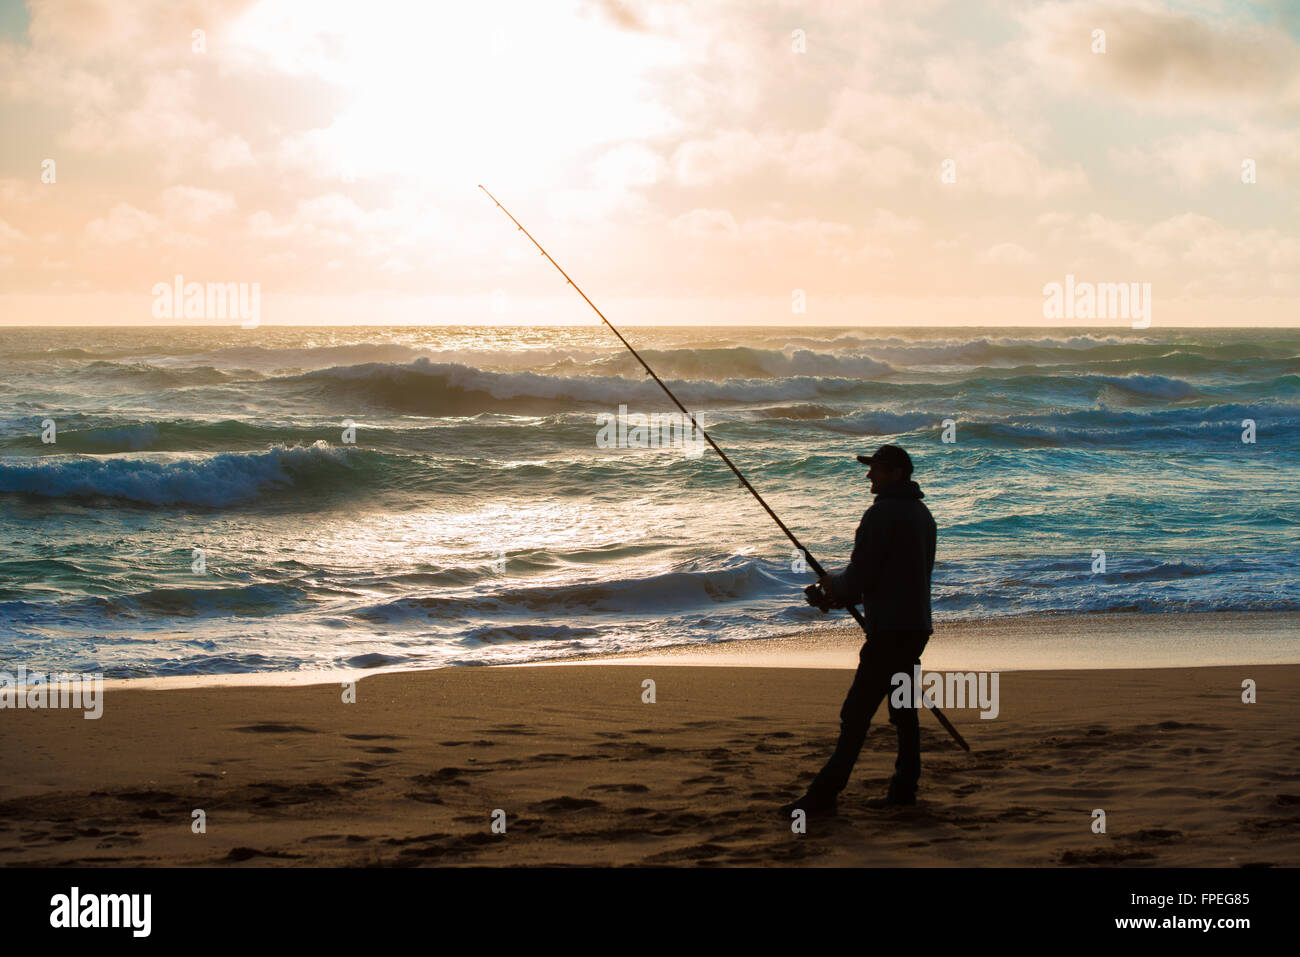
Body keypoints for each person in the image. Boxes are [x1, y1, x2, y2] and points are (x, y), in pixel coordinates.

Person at [780, 443, 937, 818]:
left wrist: (834, 587)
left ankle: (824, 795)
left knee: (856, 713)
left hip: (889, 632)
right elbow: (893, 577)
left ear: (896, 473)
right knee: (902, 708)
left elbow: (860, 576)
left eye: (877, 469)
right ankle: (903, 789)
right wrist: (840, 594)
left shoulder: (880, 515)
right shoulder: (921, 513)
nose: (869, 475)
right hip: (914, 625)